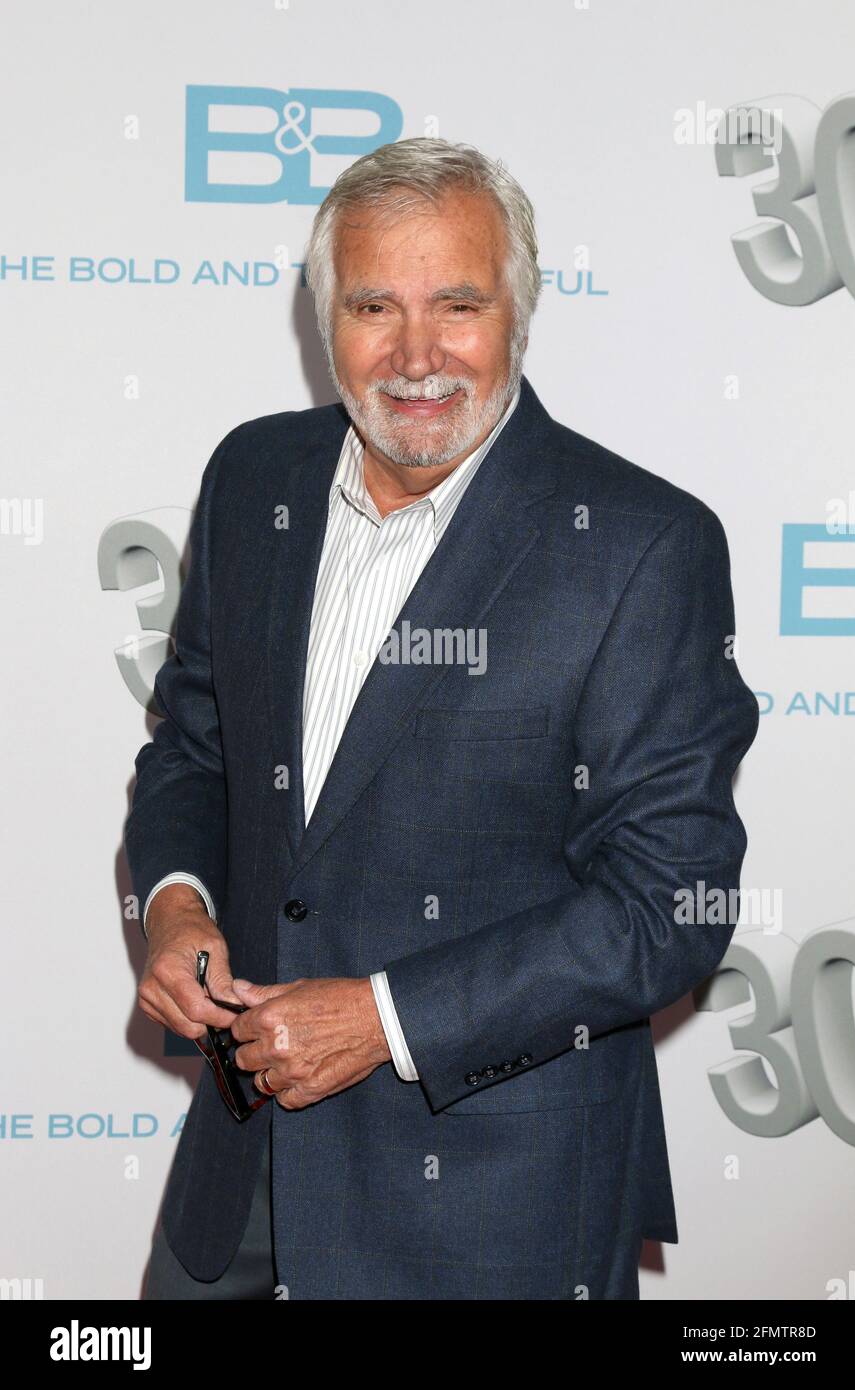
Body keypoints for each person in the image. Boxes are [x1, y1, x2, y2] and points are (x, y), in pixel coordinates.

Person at [127, 136, 759, 1301]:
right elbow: (195, 744)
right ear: (325, 318)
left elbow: (671, 903)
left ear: (517, 309)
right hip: (234, 1177)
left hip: (489, 1212)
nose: (416, 355)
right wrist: (175, 904)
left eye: (456, 304)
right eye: (373, 304)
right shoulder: (251, 477)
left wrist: (380, 1018)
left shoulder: (638, 546)